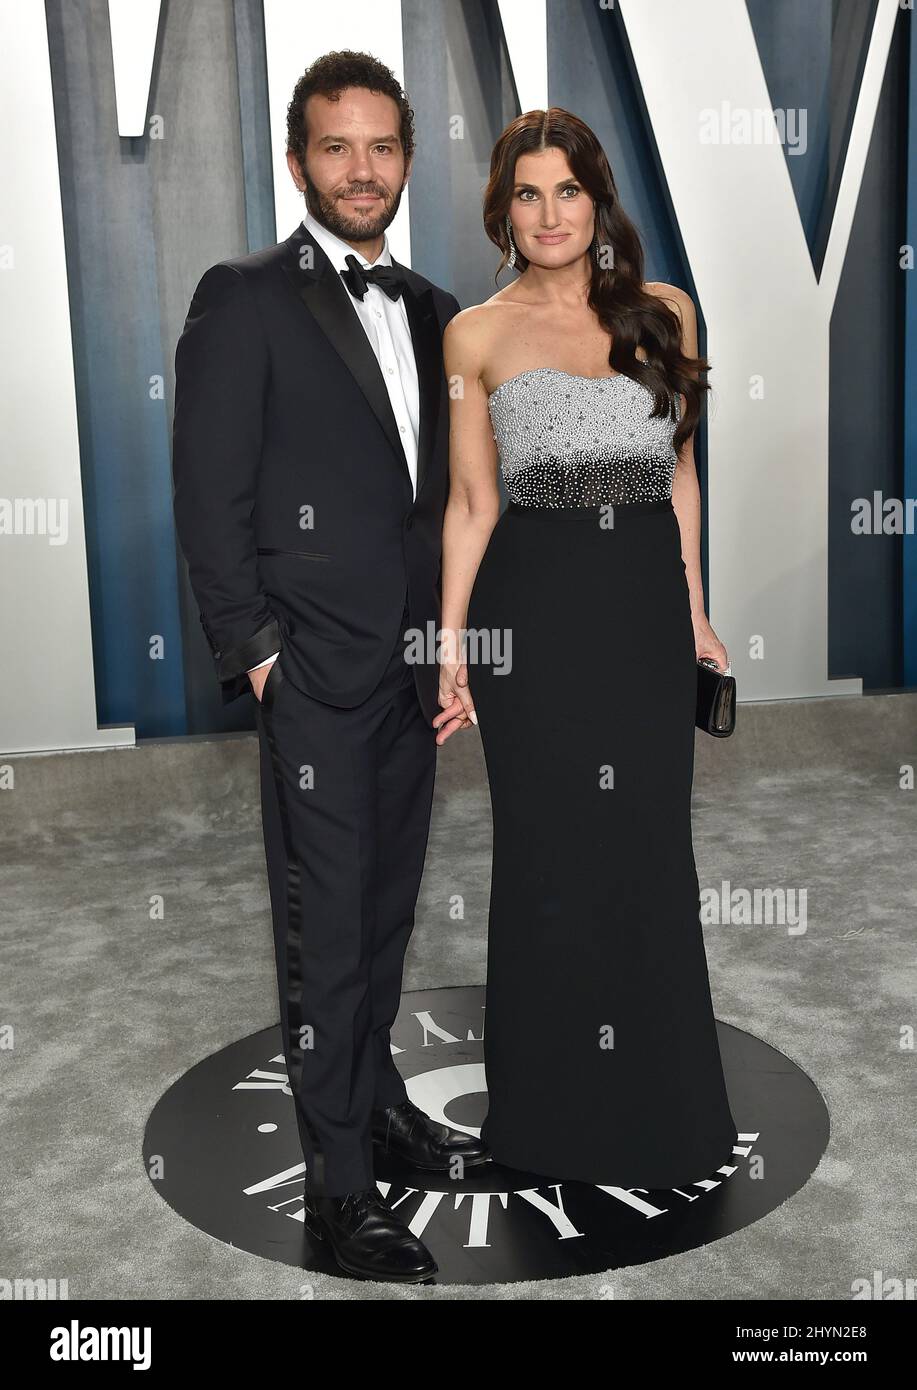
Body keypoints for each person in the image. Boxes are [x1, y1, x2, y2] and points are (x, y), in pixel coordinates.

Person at [171, 51, 487, 1284]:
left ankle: (382, 1108)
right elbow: (210, 498)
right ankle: (336, 1194)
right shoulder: (242, 295)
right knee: (325, 931)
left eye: (382, 147)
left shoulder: (429, 308)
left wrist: (449, 646)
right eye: (336, 147)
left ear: (408, 158)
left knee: (386, 910)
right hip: (306, 674)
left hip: (408, 670)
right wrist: (258, 659)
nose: (362, 170)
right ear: (298, 161)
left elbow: (438, 503)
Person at [434, 108, 739, 1188]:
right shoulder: (473, 334)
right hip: (537, 620)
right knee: (545, 860)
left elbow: (682, 477)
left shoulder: (665, 313)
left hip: (643, 617)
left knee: (650, 857)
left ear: (597, 203)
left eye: (567, 191)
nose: (549, 214)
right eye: (527, 193)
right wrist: (453, 642)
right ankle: (540, 1124)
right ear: (502, 209)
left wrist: (696, 611)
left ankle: (667, 1118)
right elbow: (472, 504)